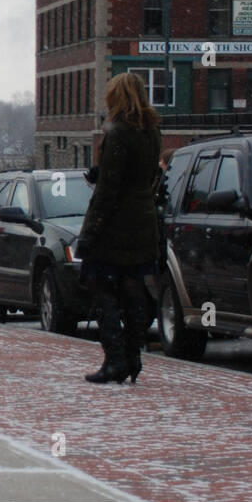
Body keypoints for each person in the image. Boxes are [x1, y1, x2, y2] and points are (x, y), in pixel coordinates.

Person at [76, 72, 162, 385]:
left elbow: (109, 190)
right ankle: (133, 356)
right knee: (133, 290)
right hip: (143, 221)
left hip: (116, 225)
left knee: (101, 289)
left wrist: (90, 233)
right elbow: (143, 174)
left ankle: (115, 359)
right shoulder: (151, 131)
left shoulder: (118, 133)